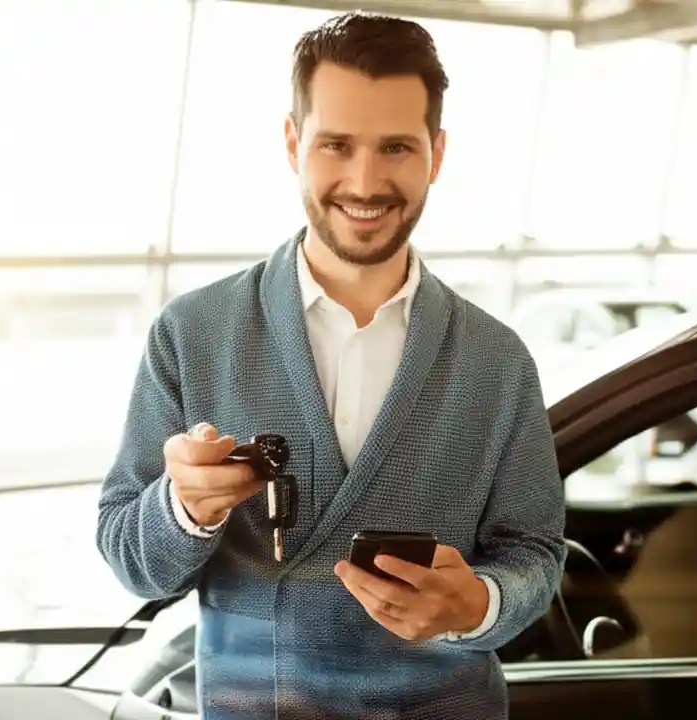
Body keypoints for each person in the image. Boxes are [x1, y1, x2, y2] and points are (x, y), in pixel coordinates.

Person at [95, 11, 566, 720]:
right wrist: (183, 508)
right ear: (294, 144)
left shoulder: (498, 362)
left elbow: (534, 551)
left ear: (436, 154)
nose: (365, 181)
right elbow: (131, 558)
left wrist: (481, 603)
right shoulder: (193, 333)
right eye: (336, 145)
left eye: (397, 148)